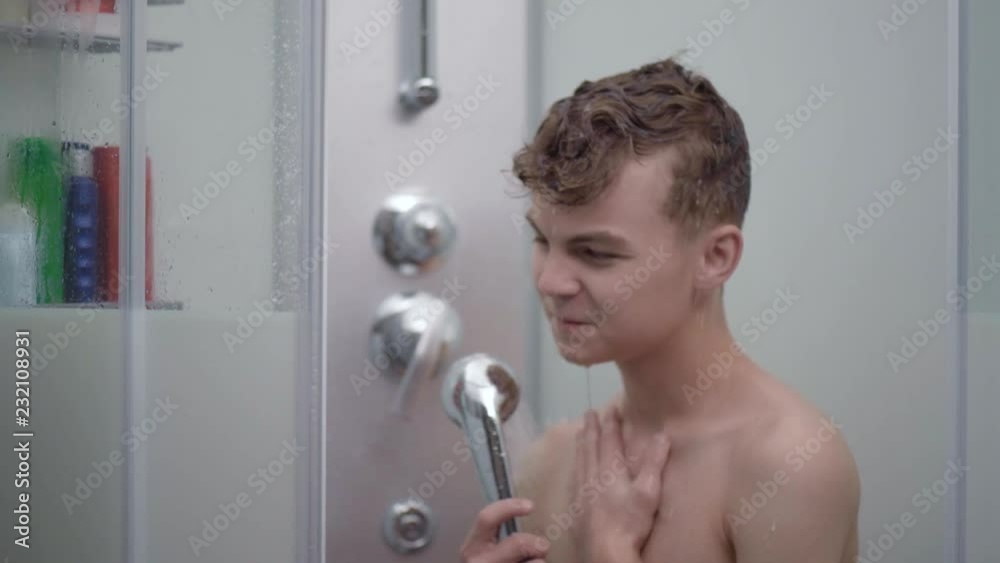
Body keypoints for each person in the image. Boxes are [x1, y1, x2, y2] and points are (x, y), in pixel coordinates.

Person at [458, 57, 860, 563]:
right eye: (543, 241)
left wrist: (609, 551)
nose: (550, 281)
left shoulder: (790, 466)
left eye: (595, 253)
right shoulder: (553, 462)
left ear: (715, 258)